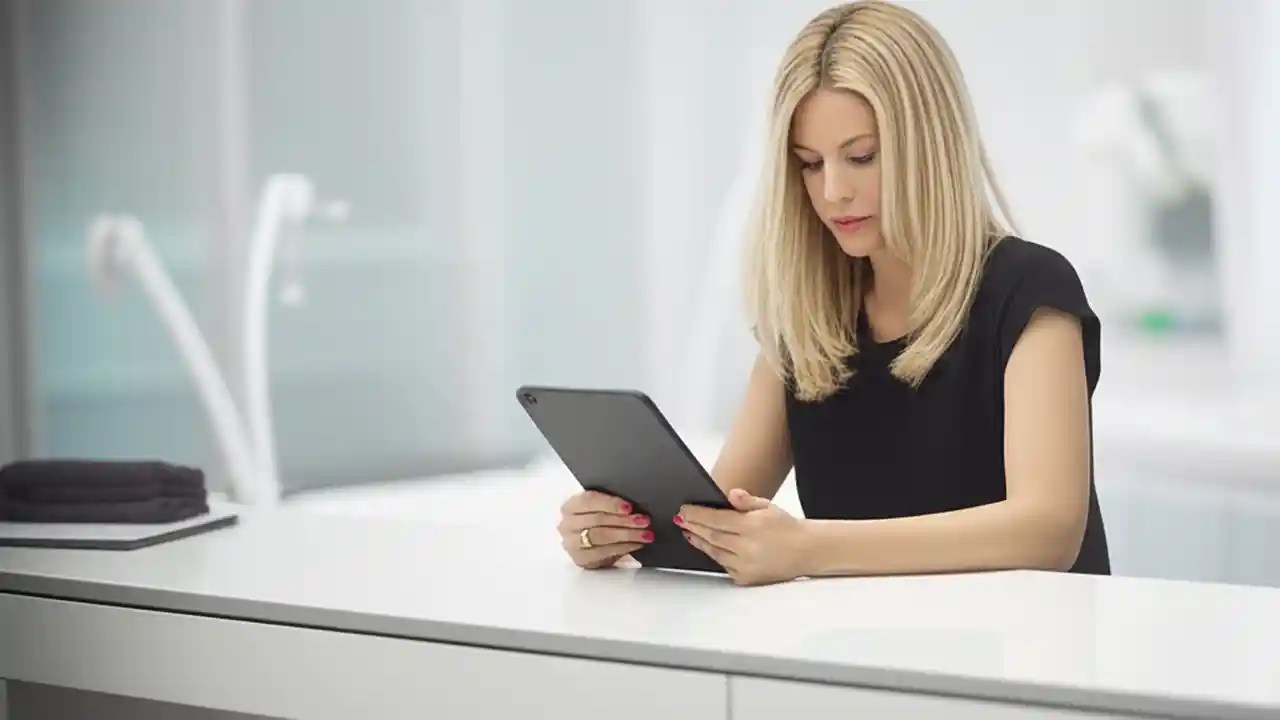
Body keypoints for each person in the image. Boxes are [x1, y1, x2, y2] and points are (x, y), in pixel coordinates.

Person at [556, 0, 1109, 585]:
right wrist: (613, 532)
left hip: (1022, 639)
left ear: (931, 145)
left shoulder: (1030, 290)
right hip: (859, 643)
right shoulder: (809, 320)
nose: (833, 192)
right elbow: (709, 525)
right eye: (810, 164)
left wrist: (810, 548)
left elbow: (1048, 529)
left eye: (861, 157)